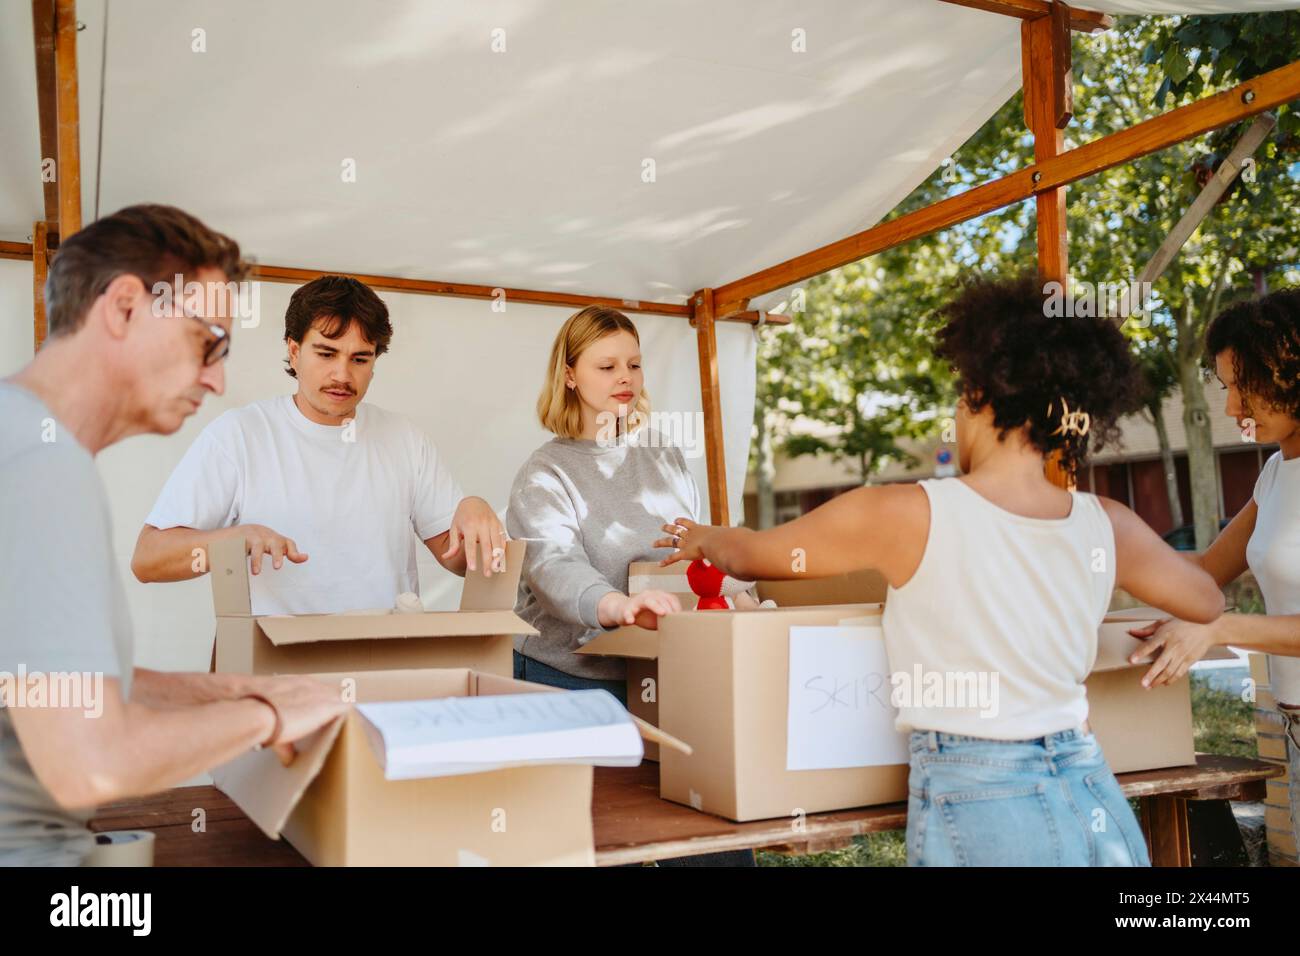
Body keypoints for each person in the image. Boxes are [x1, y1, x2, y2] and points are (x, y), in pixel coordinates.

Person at [657, 275, 1225, 866]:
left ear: (981, 394)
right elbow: (1206, 602)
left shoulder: (908, 512)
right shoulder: (1108, 522)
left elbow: (754, 555)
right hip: (1087, 781)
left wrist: (703, 537)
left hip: (981, 788)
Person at [0, 204, 345, 866]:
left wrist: (236, 690)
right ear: (125, 307)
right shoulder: (41, 468)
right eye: (206, 341)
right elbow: (90, 767)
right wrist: (266, 720)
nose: (216, 379)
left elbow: (58, 686)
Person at [507, 305, 755, 866]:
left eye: (635, 364)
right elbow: (552, 569)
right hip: (567, 680)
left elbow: (691, 550)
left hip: (661, 673)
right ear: (569, 375)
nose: (625, 378)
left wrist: (738, 589)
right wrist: (618, 605)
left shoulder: (664, 456)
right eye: (607, 366)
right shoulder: (546, 472)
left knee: (704, 840)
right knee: (590, 845)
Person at [131, 274, 506, 615]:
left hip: (385, 667)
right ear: (294, 351)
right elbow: (148, 559)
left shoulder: (405, 440)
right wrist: (232, 538)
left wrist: (473, 511)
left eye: (360, 358)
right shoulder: (239, 435)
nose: (342, 375)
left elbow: (458, 561)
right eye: (326, 353)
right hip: (274, 668)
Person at [1126, 288, 1300, 851]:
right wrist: (1094, 560)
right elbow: (1203, 569)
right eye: (1227, 389)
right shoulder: (1276, 474)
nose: (1232, 409)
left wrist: (1218, 628)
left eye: (1242, 388)